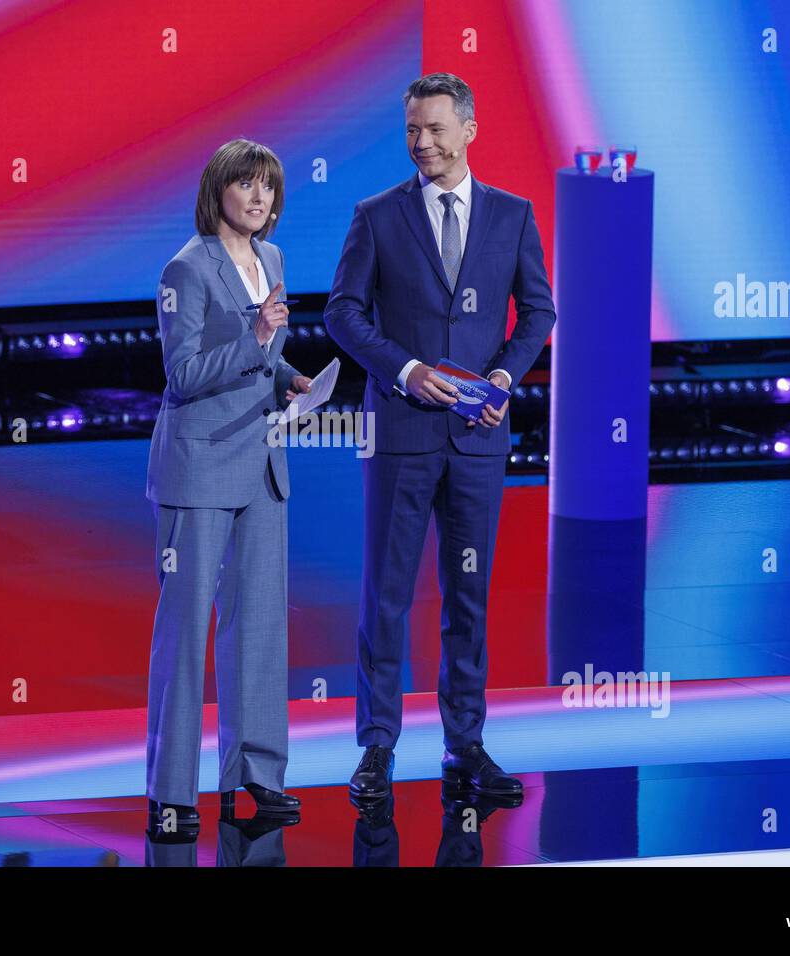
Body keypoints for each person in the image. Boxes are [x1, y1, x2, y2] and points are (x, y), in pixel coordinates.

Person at [324, 73, 557, 801]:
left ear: (469, 128)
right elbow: (342, 313)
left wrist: (504, 377)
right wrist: (407, 368)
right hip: (402, 433)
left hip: (479, 438)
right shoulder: (376, 215)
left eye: (433, 130)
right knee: (387, 596)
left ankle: (467, 744)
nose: (421, 144)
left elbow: (539, 313)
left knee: (469, 596)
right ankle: (377, 748)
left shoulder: (513, 216)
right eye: (411, 132)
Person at [145, 138, 312, 830]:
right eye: (246, 185)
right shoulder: (185, 269)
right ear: (219, 190)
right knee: (185, 632)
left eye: (268, 188)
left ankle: (258, 775)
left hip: (262, 463)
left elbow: (261, 357)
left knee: (260, 626)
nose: (259, 198)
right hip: (201, 466)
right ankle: (171, 793)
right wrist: (256, 340)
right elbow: (181, 373)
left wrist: (292, 376)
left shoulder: (268, 259)